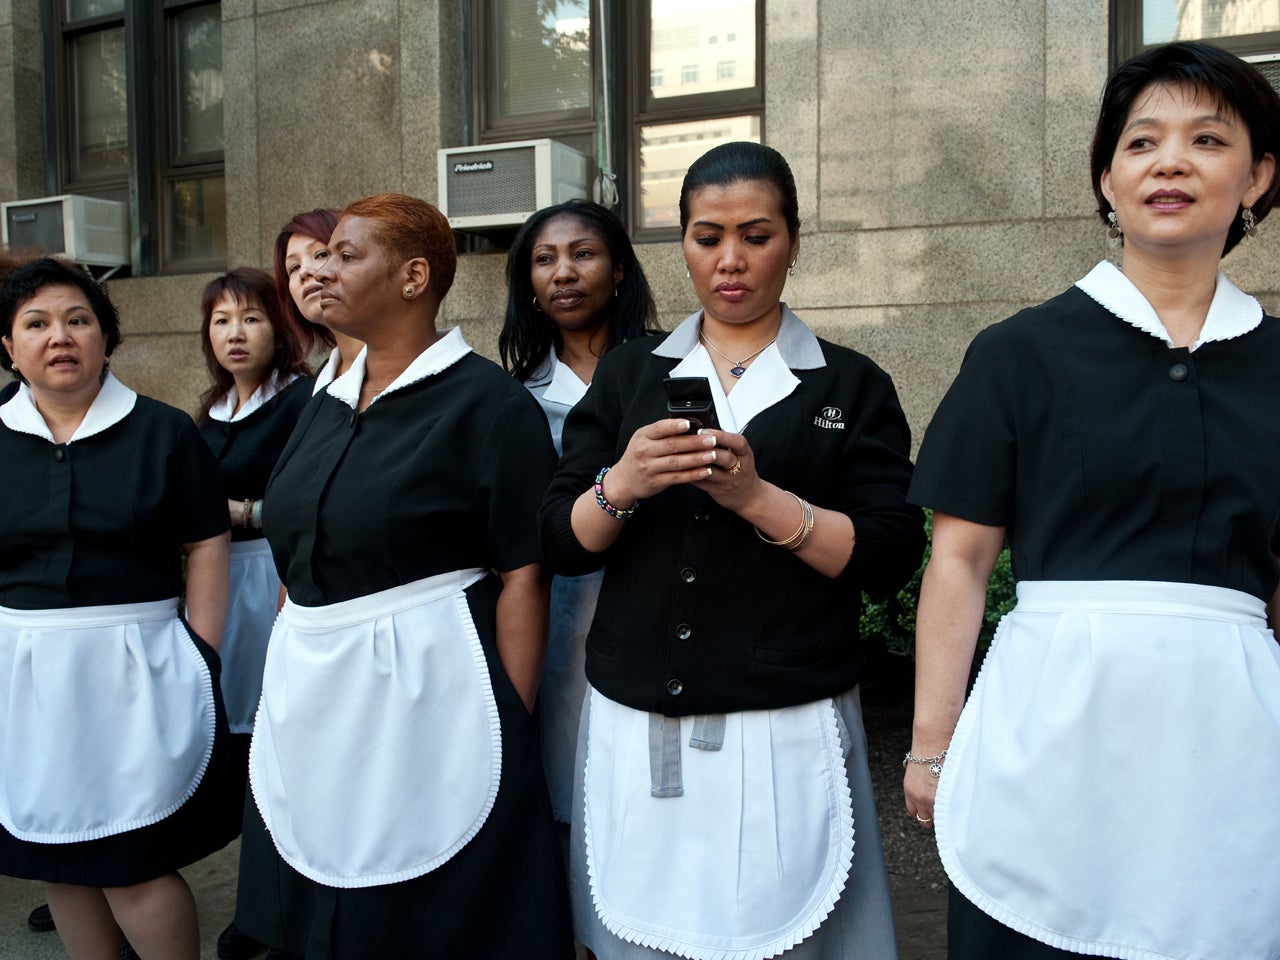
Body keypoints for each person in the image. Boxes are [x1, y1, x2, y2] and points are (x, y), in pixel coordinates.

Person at [904, 41, 1280, 960]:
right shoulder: (1019, 352)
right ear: (1107, 180)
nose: (1171, 163)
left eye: (1207, 140)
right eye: (1142, 142)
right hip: (1048, 725)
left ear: (1259, 177)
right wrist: (931, 746)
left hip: (1231, 733)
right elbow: (960, 560)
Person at [540, 141, 925, 960]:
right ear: (682, 242)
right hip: (637, 711)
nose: (730, 260)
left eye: (757, 235)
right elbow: (558, 541)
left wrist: (758, 498)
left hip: (786, 712)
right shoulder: (629, 374)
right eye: (707, 237)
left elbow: (891, 553)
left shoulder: (849, 385)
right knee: (644, 930)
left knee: (793, 930)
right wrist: (623, 483)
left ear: (794, 240)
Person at [235, 193, 573, 958]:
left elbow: (525, 574)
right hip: (314, 694)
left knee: (425, 914)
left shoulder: (489, 406)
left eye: (346, 256)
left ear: (414, 277)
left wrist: (508, 721)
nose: (320, 271)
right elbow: (296, 548)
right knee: (320, 907)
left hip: (431, 696)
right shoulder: (322, 400)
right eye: (320, 257)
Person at [0, 257, 240, 960]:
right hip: (25, 675)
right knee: (60, 854)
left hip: (140, 670)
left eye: (78, 320)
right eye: (36, 324)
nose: (60, 336)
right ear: (9, 347)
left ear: (105, 338)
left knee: (134, 860)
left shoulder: (162, 432)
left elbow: (207, 540)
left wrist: (201, 651)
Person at [500, 198, 658, 830]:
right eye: (544, 260)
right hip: (557, 611)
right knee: (569, 791)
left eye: (582, 254)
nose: (563, 272)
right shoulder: (512, 396)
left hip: (652, 596)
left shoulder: (670, 368)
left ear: (618, 270)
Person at [195, 267, 313, 960]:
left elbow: (308, 497)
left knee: (279, 738)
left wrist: (241, 512)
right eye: (221, 321)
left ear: (279, 328)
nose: (235, 334)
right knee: (239, 741)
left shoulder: (300, 401)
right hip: (217, 585)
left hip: (274, 577)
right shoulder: (211, 409)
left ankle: (279, 909)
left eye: (251, 318)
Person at [271, 208, 361, 390]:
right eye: (294, 267)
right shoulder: (321, 385)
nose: (304, 272)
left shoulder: (411, 364)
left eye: (321, 254)